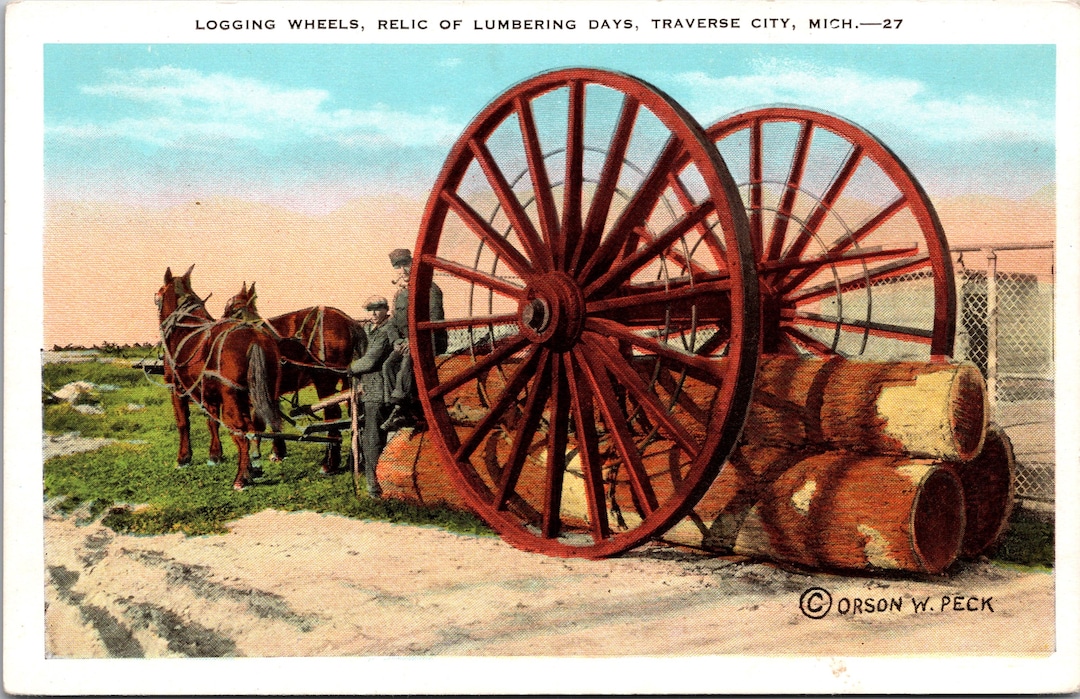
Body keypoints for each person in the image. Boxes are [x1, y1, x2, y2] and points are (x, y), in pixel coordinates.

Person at [380, 248, 446, 432]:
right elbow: (392, 323)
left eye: (406, 265)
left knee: (409, 360)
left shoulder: (430, 290)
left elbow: (435, 320)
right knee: (388, 365)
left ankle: (401, 408)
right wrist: (396, 342)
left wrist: (413, 341)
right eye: (398, 267)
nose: (403, 271)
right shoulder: (400, 295)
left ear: (414, 265)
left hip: (430, 341)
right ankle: (402, 408)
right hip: (407, 343)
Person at [348, 295, 396, 498]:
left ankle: (375, 486)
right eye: (370, 310)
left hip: (379, 391)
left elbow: (370, 361)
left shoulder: (387, 331)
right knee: (368, 437)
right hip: (367, 390)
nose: (373, 314)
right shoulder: (368, 330)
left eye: (378, 309)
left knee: (373, 439)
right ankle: (374, 480)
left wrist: (348, 369)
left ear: (386, 310)